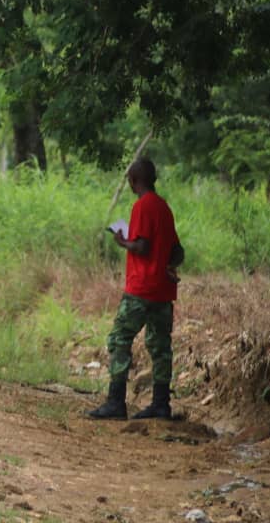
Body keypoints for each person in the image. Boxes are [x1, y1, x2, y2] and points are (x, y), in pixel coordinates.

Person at [87, 157, 182, 421]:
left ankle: (116, 402)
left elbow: (142, 246)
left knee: (120, 339)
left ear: (132, 180)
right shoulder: (164, 208)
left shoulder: (143, 206)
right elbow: (177, 251)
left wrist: (122, 242)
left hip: (141, 288)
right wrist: (169, 266)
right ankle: (161, 405)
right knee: (161, 346)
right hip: (163, 291)